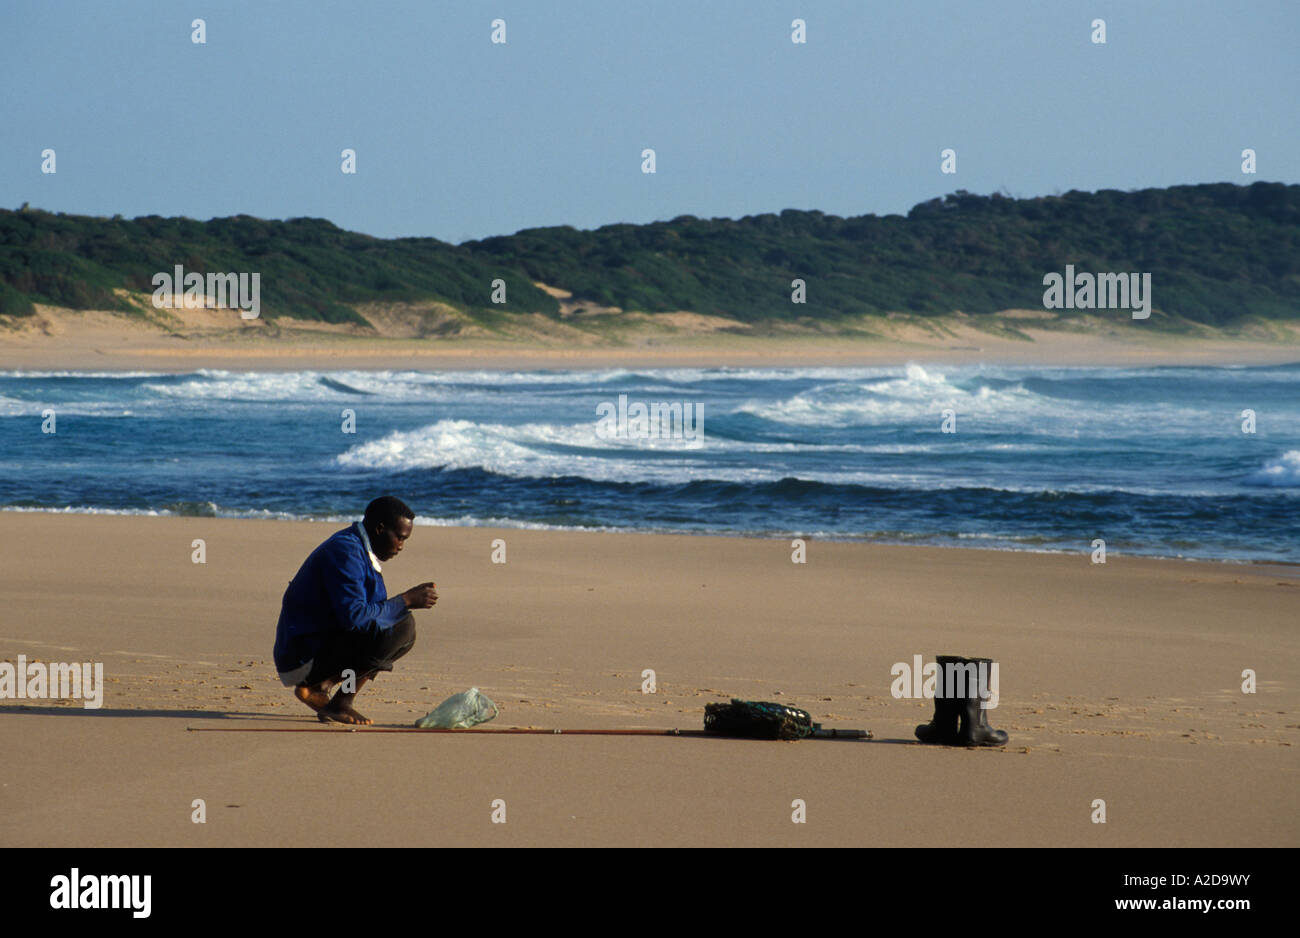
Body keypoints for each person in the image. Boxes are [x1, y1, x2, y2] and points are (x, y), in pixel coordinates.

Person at [273, 496, 437, 725]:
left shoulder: (360, 550)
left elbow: (370, 614)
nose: (401, 546)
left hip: (316, 649)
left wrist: (402, 605)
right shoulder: (346, 552)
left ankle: (322, 686)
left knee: (400, 630)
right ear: (380, 529)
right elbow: (354, 617)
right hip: (300, 660)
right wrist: (406, 600)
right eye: (399, 538)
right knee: (402, 628)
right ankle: (339, 703)